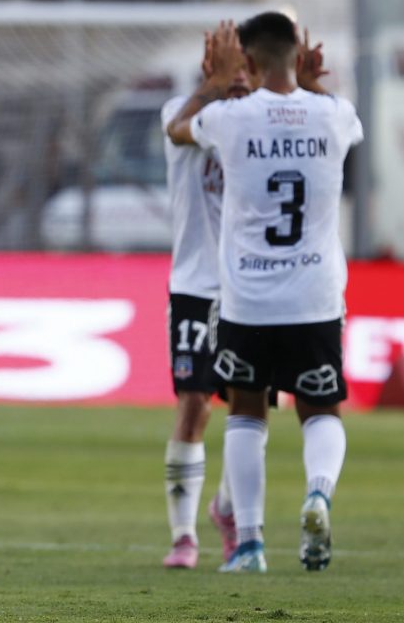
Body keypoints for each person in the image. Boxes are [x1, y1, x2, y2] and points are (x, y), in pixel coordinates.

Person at [166, 13, 363, 574]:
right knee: (321, 410)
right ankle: (318, 492)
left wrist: (214, 80)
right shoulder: (335, 113)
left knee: (246, 415)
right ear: (298, 57)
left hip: (249, 299)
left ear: (246, 62)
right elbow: (340, 121)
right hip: (315, 296)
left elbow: (178, 129)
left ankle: (250, 544)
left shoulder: (229, 119)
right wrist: (313, 84)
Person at [158, 34, 249, 569]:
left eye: (247, 68)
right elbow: (180, 127)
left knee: (247, 407)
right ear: (210, 66)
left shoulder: (259, 125)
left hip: (253, 288)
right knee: (194, 405)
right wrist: (213, 87)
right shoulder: (179, 111)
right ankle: (183, 535)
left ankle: (228, 510)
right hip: (195, 285)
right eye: (230, 68)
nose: (239, 79)